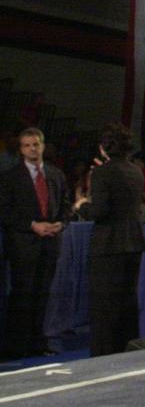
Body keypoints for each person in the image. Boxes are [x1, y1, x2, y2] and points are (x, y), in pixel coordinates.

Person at [74, 123, 145, 356]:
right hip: (133, 243)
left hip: (108, 246)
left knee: (104, 306)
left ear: (103, 148)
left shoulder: (102, 172)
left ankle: (102, 355)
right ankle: (127, 350)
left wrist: (82, 205)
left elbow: (100, 211)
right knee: (127, 302)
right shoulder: (136, 170)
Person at [0, 128, 71, 358]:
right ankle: (16, 346)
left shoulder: (56, 174)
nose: (33, 148)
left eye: (36, 144)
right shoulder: (10, 177)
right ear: (21, 149)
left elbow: (65, 206)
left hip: (51, 243)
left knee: (43, 294)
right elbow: (5, 211)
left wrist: (60, 224)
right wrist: (33, 225)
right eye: (28, 145)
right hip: (23, 245)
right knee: (23, 294)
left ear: (43, 145)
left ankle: (38, 343)